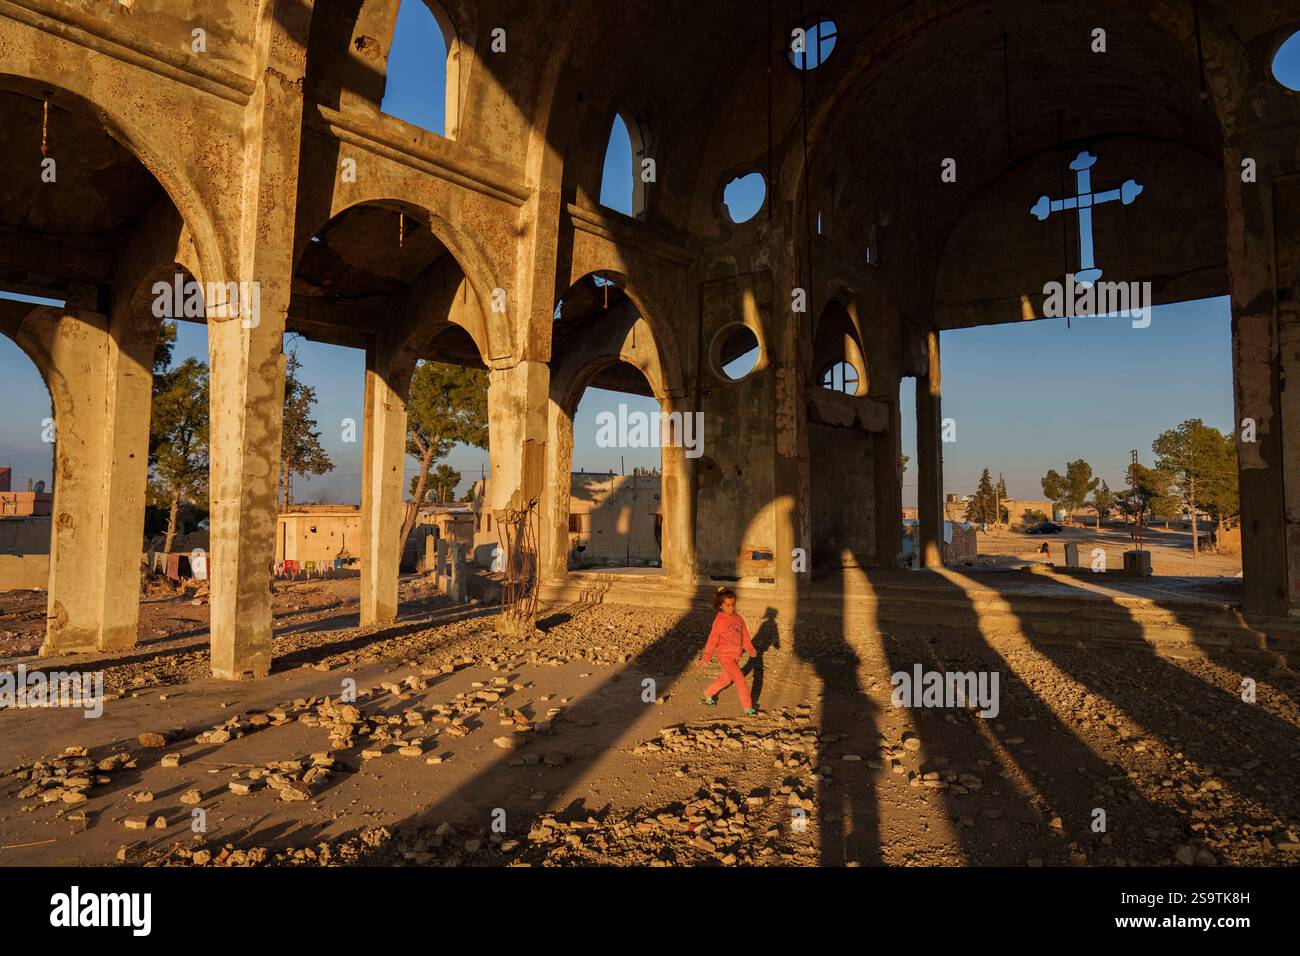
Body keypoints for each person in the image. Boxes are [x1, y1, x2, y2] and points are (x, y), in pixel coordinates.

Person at [699, 586, 758, 714]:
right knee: (739, 678)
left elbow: (745, 636)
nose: (731, 608)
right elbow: (712, 639)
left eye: (733, 604)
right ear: (721, 606)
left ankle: (708, 693)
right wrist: (707, 656)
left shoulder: (738, 618)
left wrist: (749, 648)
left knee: (726, 679)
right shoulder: (719, 621)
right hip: (725, 656)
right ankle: (748, 706)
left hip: (736, 656)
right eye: (728, 605)